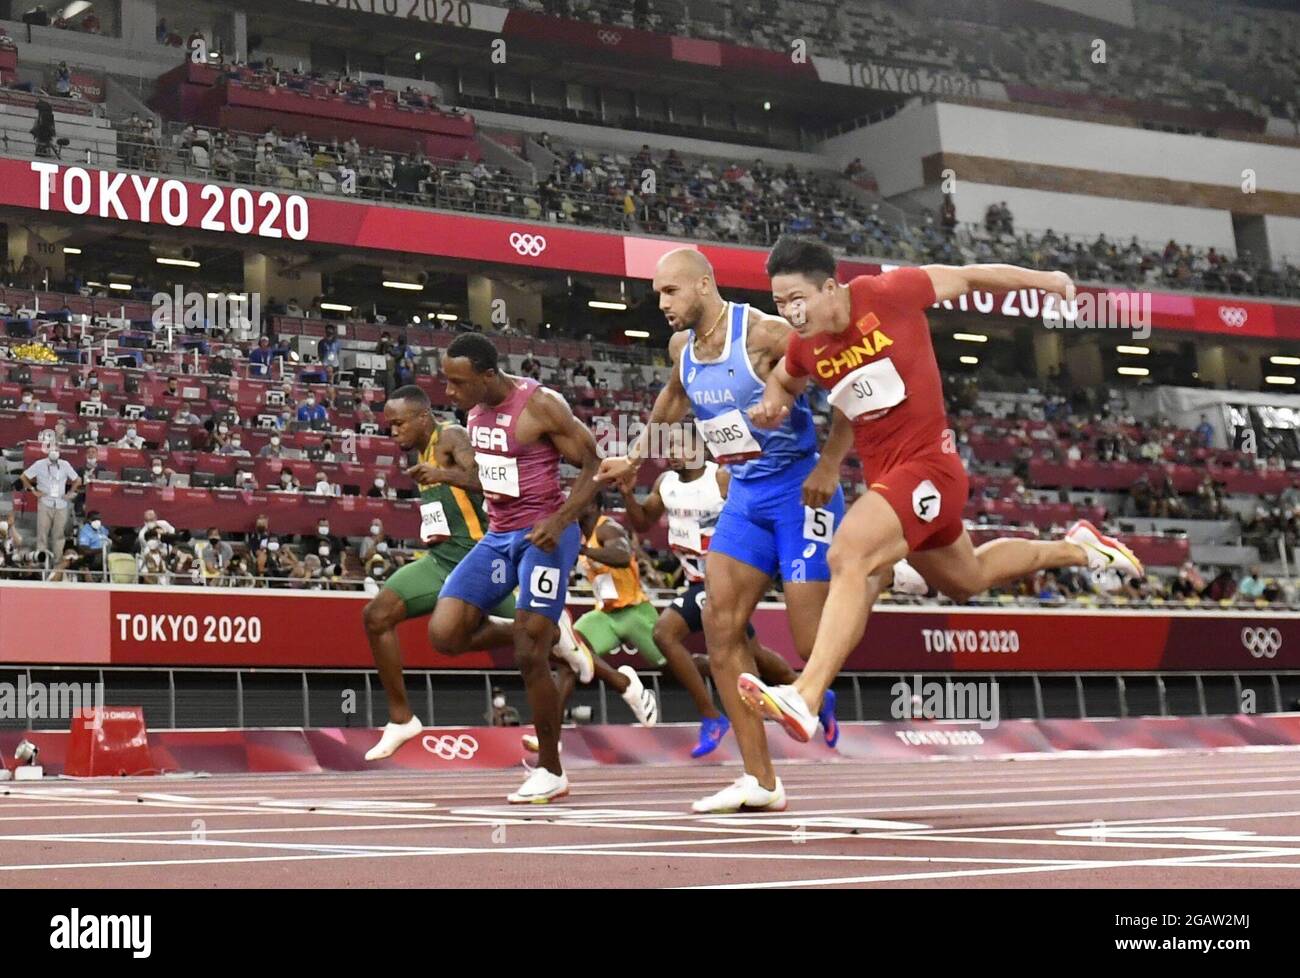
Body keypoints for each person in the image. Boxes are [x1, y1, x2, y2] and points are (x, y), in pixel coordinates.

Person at [740, 236, 1144, 742]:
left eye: (797, 299)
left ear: (829, 287)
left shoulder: (890, 292)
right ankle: (1079, 548)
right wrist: (772, 404)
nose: (791, 313)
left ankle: (806, 693)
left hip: (932, 467)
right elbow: (784, 379)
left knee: (849, 554)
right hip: (891, 483)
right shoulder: (806, 347)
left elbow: (970, 274)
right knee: (967, 578)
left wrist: (1046, 282)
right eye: (780, 304)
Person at [597, 248, 852, 814]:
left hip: (800, 491)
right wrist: (638, 455)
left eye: (671, 292)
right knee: (719, 630)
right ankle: (761, 780)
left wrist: (831, 465)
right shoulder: (681, 348)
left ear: (705, 285)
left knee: (811, 644)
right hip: (745, 496)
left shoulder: (766, 334)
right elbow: (673, 396)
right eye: (658, 293)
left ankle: (878, 571)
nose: (661, 303)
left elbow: (849, 389)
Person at [361, 384, 590, 766]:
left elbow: (488, 481)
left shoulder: (451, 435)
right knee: (376, 615)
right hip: (440, 561)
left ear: (423, 417)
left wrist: (442, 474)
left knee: (532, 643)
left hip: (484, 559)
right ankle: (402, 719)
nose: (393, 431)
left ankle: (568, 718)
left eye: (399, 423)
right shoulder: (418, 451)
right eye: (389, 425)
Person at [428, 334, 604, 804]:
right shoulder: (473, 413)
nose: (450, 392)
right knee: (445, 633)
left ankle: (551, 769)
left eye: (458, 382)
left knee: (529, 652)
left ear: (488, 376)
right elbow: (488, 476)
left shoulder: (541, 406)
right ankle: (556, 637)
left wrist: (562, 519)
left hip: (545, 533)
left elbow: (594, 465)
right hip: (499, 536)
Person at [614, 426, 811, 758]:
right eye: (669, 444)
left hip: (725, 578)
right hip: (694, 580)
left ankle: (711, 716)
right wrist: (628, 496)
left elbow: (755, 516)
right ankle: (808, 694)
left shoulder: (719, 478)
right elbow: (644, 522)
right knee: (753, 654)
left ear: (699, 445)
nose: (672, 450)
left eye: (679, 443)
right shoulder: (666, 484)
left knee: (665, 634)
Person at [20, 445, 81, 561]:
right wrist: (33, 491)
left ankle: (57, 561)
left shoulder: (65, 464)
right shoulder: (39, 464)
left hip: (61, 504)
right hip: (45, 502)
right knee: (42, 533)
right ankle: (41, 560)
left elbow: (78, 480)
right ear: (48, 452)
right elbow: (23, 477)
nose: (55, 452)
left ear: (60, 452)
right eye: (52, 450)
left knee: (59, 534)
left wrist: (70, 493)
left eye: (57, 450)